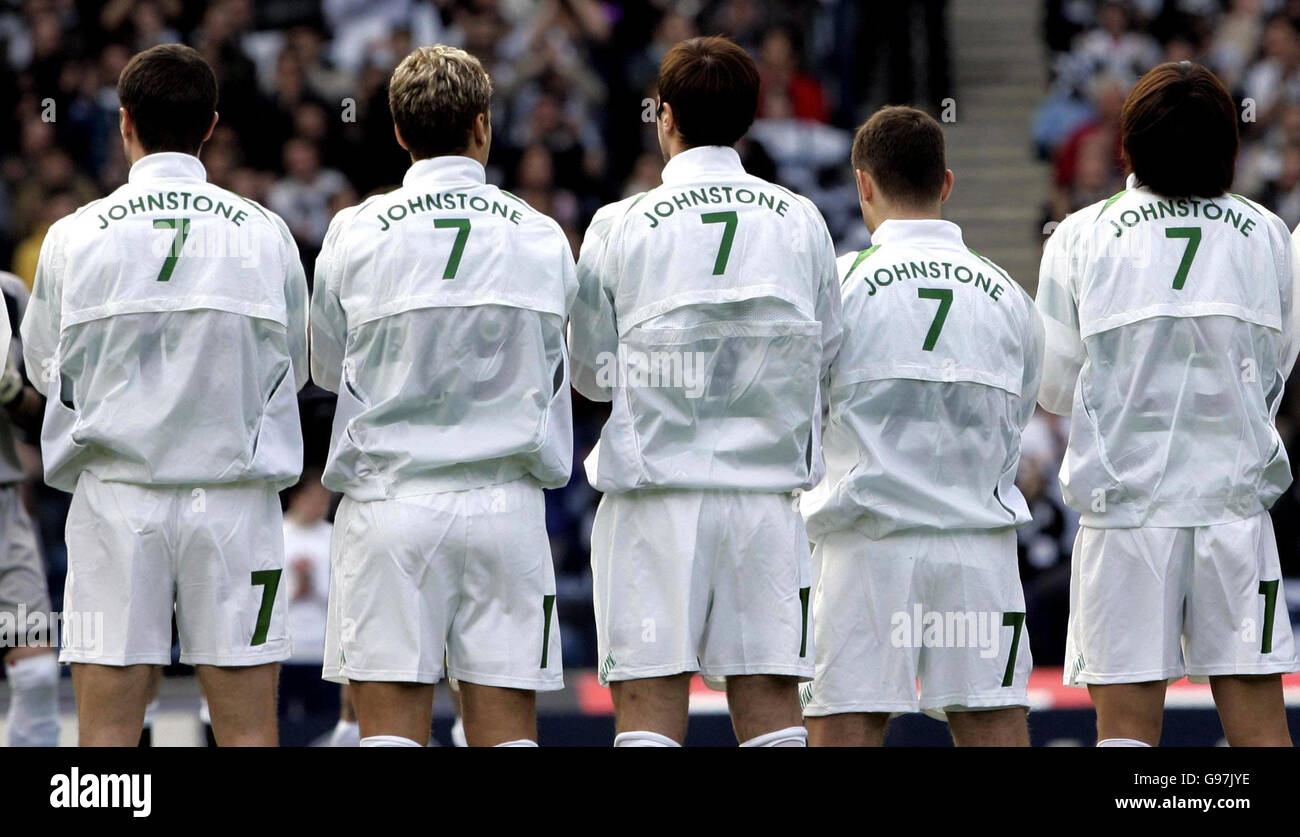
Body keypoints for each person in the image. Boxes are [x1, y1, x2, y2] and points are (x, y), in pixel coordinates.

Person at [21, 44, 309, 746]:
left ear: (124, 123)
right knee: (247, 735)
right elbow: (298, 366)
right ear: (211, 126)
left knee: (108, 739)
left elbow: (41, 368)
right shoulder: (267, 234)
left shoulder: (71, 237)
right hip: (237, 503)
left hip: (117, 502)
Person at [570, 35, 842, 747]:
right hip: (765, 504)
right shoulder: (803, 219)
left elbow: (589, 374)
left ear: (663, 115)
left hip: (655, 502)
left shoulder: (619, 223)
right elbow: (829, 355)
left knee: (650, 702)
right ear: (750, 120)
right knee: (773, 706)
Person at [311, 45, 575, 748]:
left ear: (399, 132)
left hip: (391, 505)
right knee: (508, 738)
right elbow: (561, 363)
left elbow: (330, 369)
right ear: (483, 126)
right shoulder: (544, 236)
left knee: (391, 737)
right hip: (505, 509)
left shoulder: (353, 232)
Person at [1036, 61, 1299, 747]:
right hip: (1233, 516)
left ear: (1129, 142)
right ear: (1228, 146)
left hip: (1125, 518)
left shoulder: (1078, 235)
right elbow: (1278, 365)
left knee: (1125, 734)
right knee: (1262, 734)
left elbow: (1055, 389)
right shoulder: (1271, 234)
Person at [799, 106, 1042, 747]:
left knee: (844, 725)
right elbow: (1017, 417)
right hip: (977, 547)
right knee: (993, 725)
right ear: (947, 183)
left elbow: (803, 408)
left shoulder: (839, 286)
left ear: (863, 185)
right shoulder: (1011, 296)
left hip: (864, 544)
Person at [0, 271, 59, 747]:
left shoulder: (9, 294)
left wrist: (10, 390)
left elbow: (41, 407)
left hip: (4, 504)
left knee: (38, 672)